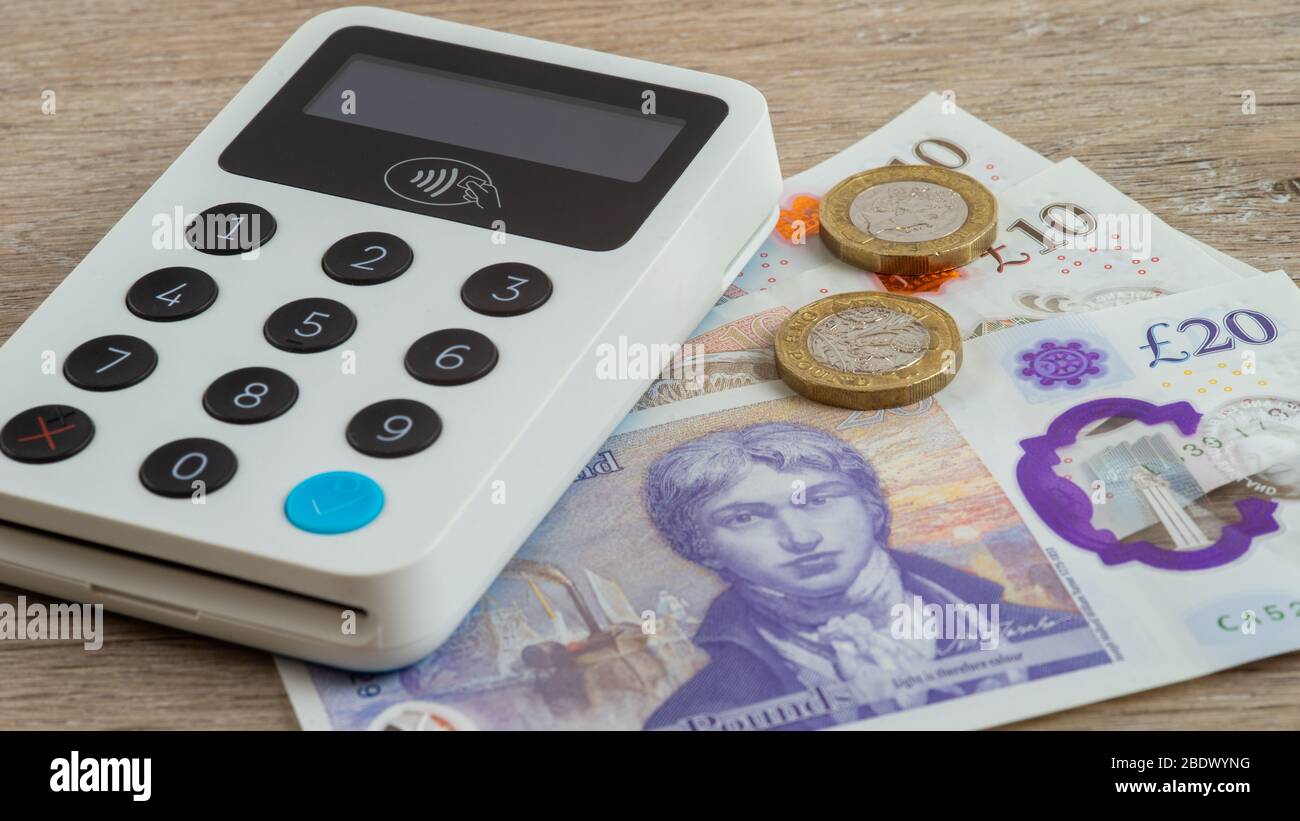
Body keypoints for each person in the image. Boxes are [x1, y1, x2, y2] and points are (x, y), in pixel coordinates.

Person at [641, 421, 1106, 730]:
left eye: (819, 499)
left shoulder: (1061, 636)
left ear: (870, 507)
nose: (800, 538)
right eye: (745, 517)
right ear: (698, 545)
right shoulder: (701, 716)